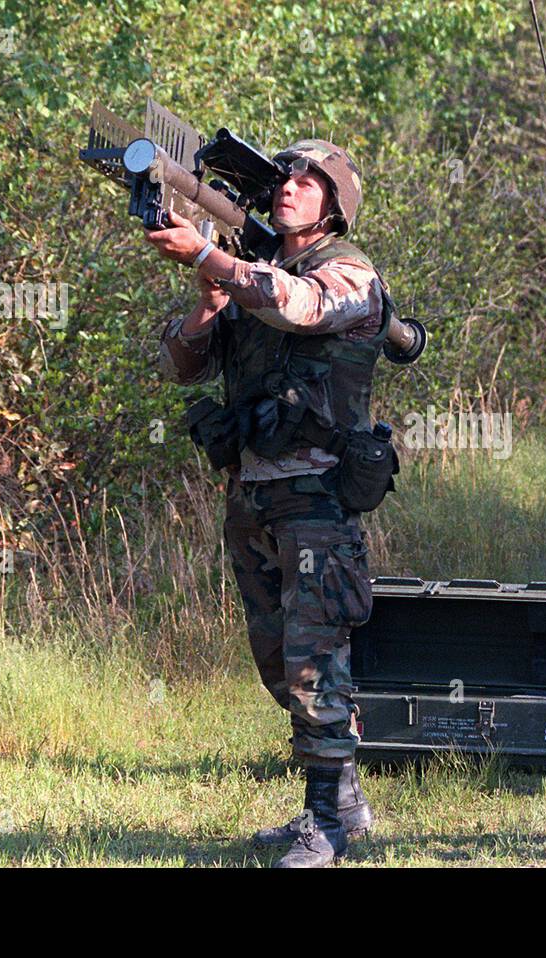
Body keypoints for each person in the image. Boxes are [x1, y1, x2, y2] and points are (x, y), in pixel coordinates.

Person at [147, 139, 386, 868]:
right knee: (278, 658)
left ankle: (328, 823)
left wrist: (210, 259)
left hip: (315, 496)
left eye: (309, 182)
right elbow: (182, 364)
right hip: (252, 493)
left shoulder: (348, 271)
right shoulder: (256, 273)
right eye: (284, 178)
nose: (289, 188)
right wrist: (206, 300)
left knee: (316, 661)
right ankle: (344, 803)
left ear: (335, 202)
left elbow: (300, 308)